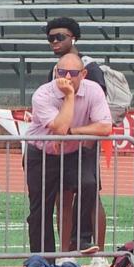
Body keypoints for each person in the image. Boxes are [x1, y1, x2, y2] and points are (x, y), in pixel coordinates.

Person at [25, 51, 112, 254]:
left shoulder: (94, 91)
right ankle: (42, 259)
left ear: (83, 74)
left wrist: (75, 132)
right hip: (42, 153)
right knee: (40, 209)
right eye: (62, 72)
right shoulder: (42, 94)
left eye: (72, 73)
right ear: (55, 72)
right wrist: (71, 95)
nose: (66, 78)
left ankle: (80, 240)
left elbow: (105, 127)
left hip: (73, 150)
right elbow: (60, 128)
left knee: (88, 184)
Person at [44, 17, 110, 267]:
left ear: (74, 38)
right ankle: (65, 254)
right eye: (50, 38)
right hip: (62, 145)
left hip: (85, 144)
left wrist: (82, 136)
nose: (54, 42)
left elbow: (99, 109)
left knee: (93, 196)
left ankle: (100, 255)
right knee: (63, 196)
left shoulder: (90, 69)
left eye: (59, 37)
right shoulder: (55, 68)